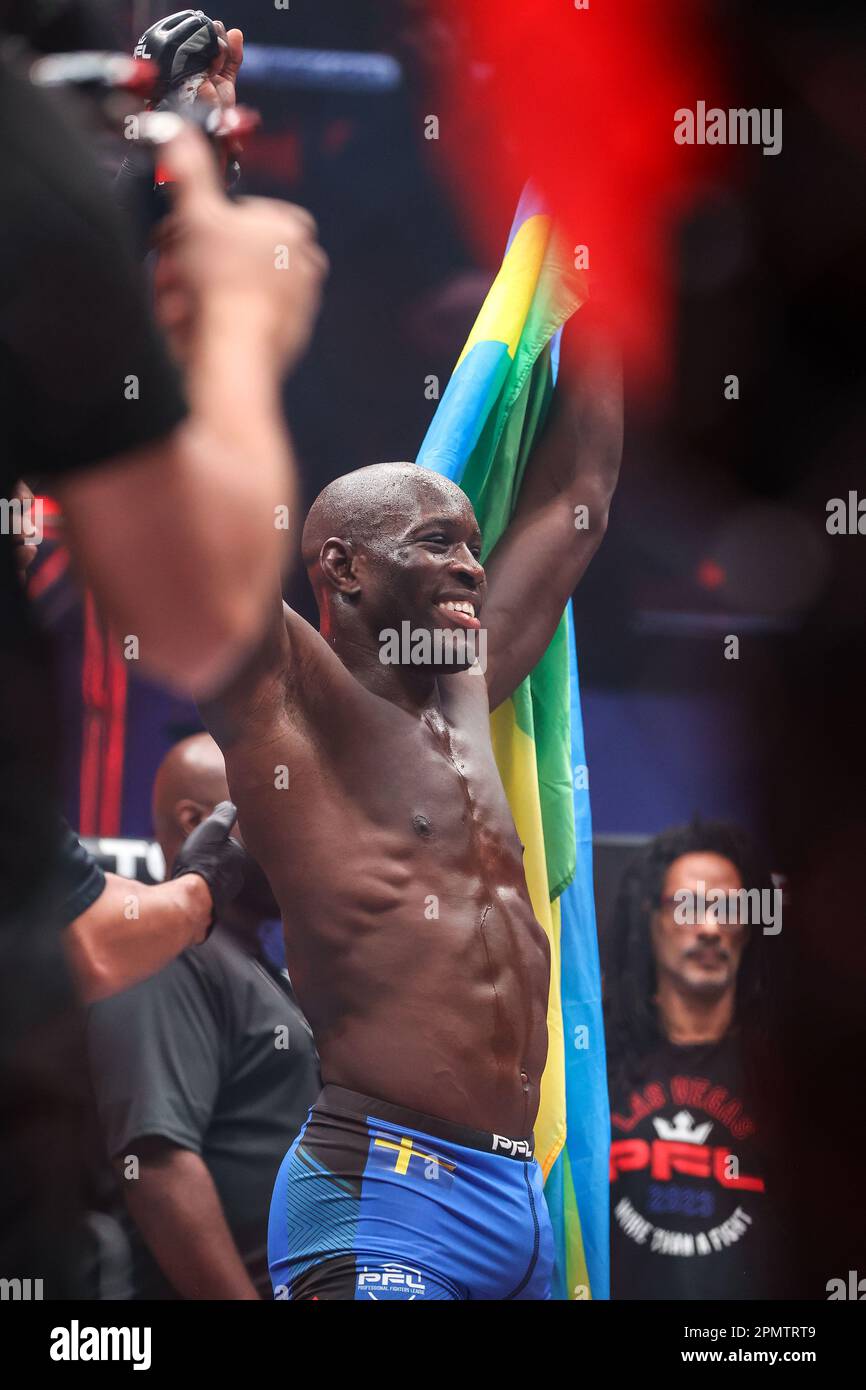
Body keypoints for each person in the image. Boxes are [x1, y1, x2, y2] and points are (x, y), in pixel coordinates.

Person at [196, 324, 622, 1296]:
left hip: (513, 1206)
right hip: (383, 1195)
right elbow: (199, 545)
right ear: (342, 567)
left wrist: (596, 285)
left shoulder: (466, 691)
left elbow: (574, 499)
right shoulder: (291, 716)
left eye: (474, 543)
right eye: (438, 542)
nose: (473, 566)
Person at [87, 734, 320, 1300]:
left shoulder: (249, 962)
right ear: (199, 821)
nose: (300, 833)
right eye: (272, 806)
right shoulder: (165, 957)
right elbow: (156, 1163)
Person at [603, 819, 778, 1300]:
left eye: (728, 909)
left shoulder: (788, 1079)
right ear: (651, 919)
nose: (708, 928)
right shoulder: (592, 1065)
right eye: (688, 906)